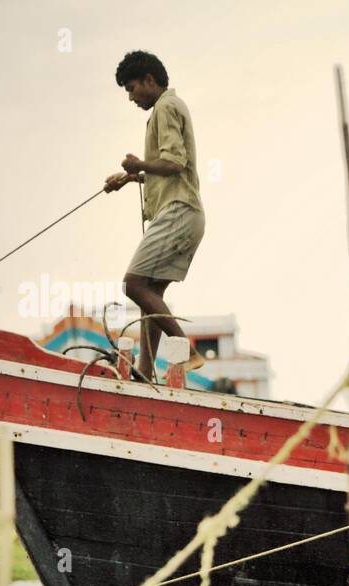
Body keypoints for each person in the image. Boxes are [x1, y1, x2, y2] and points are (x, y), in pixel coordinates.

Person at [102, 50, 206, 381]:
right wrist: (131, 178)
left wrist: (139, 165)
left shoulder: (166, 107)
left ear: (149, 80)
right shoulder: (165, 109)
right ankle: (145, 373)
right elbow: (169, 169)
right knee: (151, 294)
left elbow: (174, 163)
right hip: (181, 213)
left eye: (132, 88)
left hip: (179, 211)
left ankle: (184, 348)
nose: (131, 97)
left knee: (133, 284)